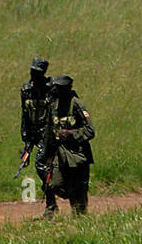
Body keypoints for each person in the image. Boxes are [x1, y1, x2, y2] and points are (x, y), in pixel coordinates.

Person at [43, 75, 95, 216]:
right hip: (59, 154)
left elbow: (90, 131)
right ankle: (57, 206)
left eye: (60, 88)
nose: (57, 91)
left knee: (79, 191)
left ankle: (80, 219)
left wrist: (72, 134)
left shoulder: (76, 104)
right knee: (54, 184)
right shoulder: (53, 106)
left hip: (77, 155)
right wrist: (48, 156)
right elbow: (49, 132)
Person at [20, 57, 54, 207]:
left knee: (41, 164)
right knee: (42, 165)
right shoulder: (26, 90)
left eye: (37, 72)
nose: (33, 74)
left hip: (49, 132)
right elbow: (25, 115)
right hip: (34, 132)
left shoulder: (51, 89)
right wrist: (26, 138)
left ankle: (51, 199)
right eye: (32, 71)